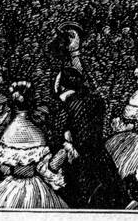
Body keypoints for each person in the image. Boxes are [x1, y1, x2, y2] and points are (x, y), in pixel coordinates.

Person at [0, 82, 70, 209]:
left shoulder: (9, 133)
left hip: (11, 186)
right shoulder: (37, 133)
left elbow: (2, 168)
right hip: (35, 185)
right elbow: (43, 168)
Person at [50, 66, 125, 209]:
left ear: (62, 86)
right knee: (111, 190)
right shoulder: (96, 101)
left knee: (83, 198)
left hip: (78, 159)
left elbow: (57, 134)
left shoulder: (65, 107)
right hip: (100, 153)